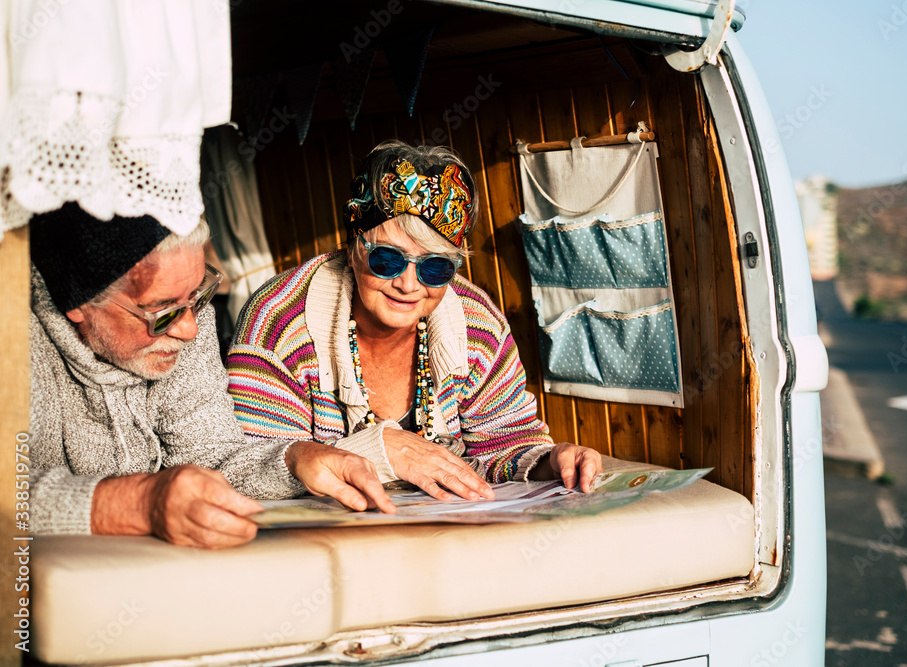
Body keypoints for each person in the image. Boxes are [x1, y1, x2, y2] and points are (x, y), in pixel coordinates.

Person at [227, 141, 602, 501]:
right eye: (387, 260)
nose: (408, 284)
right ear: (354, 247)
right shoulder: (277, 321)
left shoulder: (477, 325)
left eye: (435, 267)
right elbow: (250, 470)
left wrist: (547, 462)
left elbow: (505, 444)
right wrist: (382, 449)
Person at [29, 203, 395, 549]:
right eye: (163, 310)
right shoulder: (15, 339)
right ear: (79, 302)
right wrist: (139, 504)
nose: (190, 329)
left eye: (198, 295)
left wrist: (293, 460)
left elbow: (210, 456)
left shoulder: (186, 313)